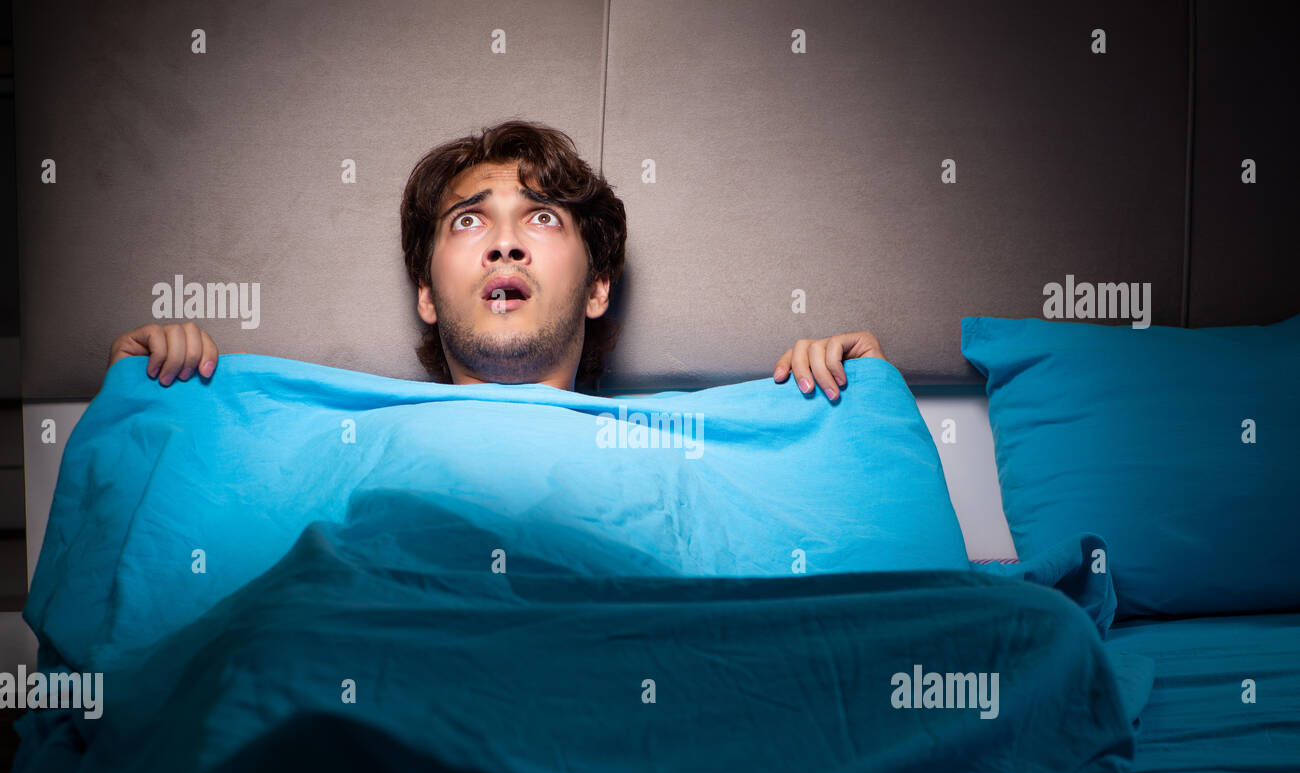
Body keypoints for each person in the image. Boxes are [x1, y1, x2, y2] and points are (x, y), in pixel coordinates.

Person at [108, 120, 887, 401]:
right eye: (468, 220)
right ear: (425, 293)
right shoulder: (351, 450)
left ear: (598, 287)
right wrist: (154, 395)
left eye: (541, 217)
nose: (504, 241)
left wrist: (853, 400)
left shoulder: (674, 457)